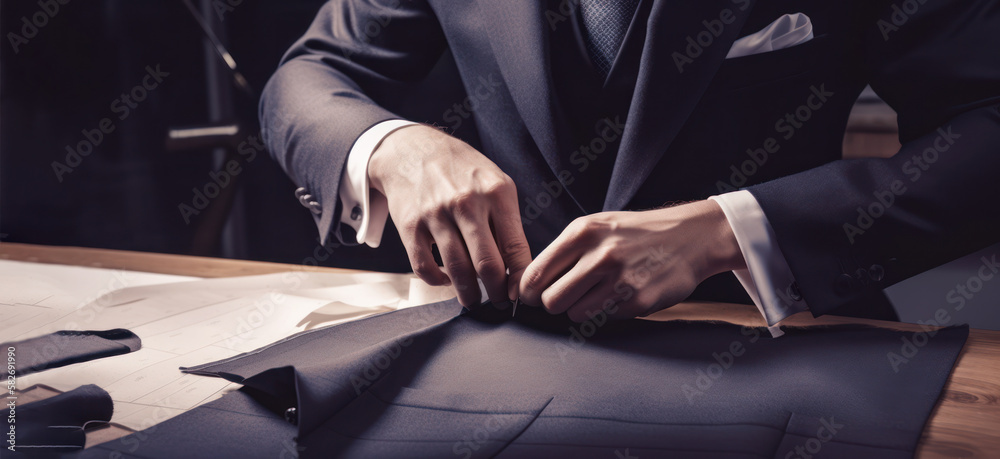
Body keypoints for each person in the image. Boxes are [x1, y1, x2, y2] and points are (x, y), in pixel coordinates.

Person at [261, 0, 1000, 332]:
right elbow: (309, 76)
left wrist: (731, 229)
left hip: (786, 353)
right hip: (500, 348)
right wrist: (389, 143)